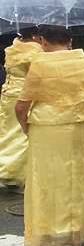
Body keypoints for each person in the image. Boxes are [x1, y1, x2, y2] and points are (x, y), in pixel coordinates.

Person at [16, 25, 84, 246]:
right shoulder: (82, 60)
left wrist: (26, 128)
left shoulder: (40, 63)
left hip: (45, 125)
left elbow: (22, 105)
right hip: (76, 123)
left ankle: (47, 233)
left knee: (44, 179)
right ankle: (73, 233)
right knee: (73, 175)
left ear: (43, 40)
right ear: (69, 40)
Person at [0, 28, 42, 190]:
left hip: (8, 92)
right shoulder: (35, 51)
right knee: (22, 133)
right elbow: (37, 74)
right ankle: (14, 172)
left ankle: (4, 167)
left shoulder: (13, 47)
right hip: (24, 92)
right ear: (34, 35)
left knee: (6, 131)